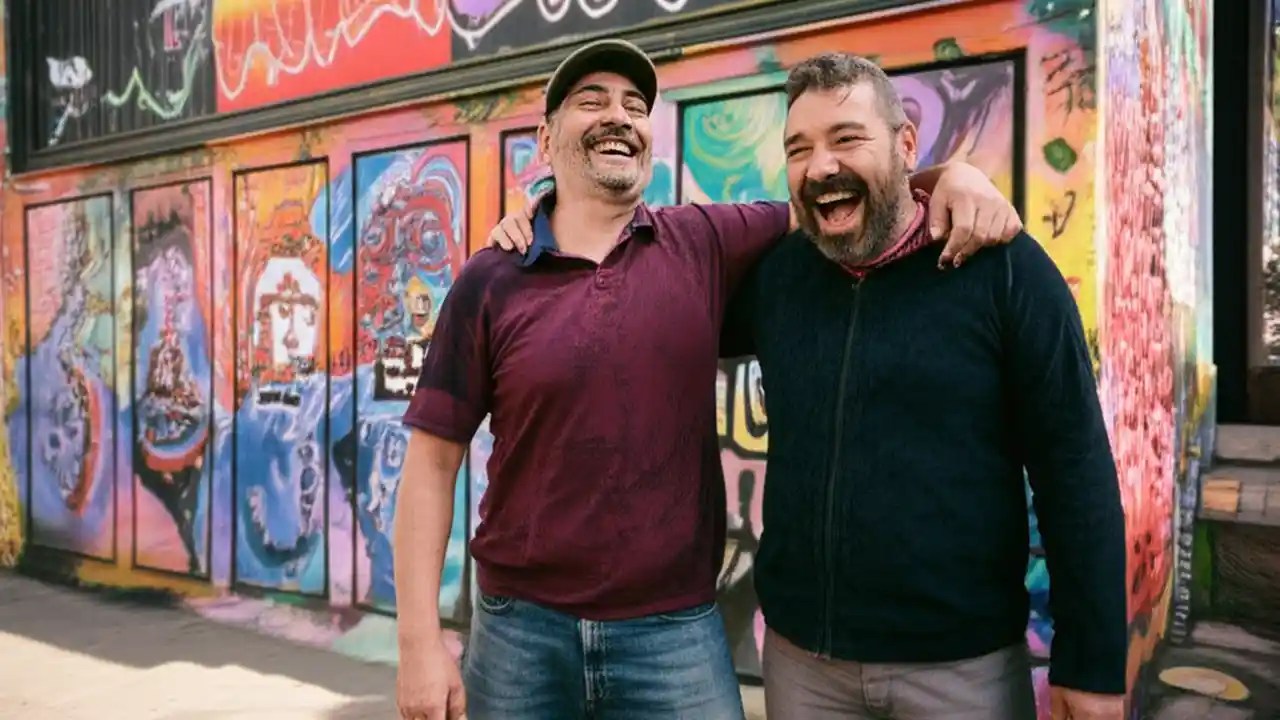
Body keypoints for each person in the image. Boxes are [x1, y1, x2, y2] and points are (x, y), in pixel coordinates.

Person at [395, 39, 1020, 720]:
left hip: (675, 634)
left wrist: (946, 178)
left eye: (636, 106)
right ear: (544, 140)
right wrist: (419, 644)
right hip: (520, 632)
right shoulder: (489, 279)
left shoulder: (705, 241)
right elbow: (431, 464)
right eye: (592, 101)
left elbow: (836, 193)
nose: (619, 116)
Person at [712, 53, 1126, 720]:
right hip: (802, 667)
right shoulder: (778, 279)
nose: (821, 165)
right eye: (799, 148)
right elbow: (657, 299)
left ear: (906, 143)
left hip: (964, 671)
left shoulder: (1006, 272)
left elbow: (1074, 471)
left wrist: (1094, 663)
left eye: (847, 138)